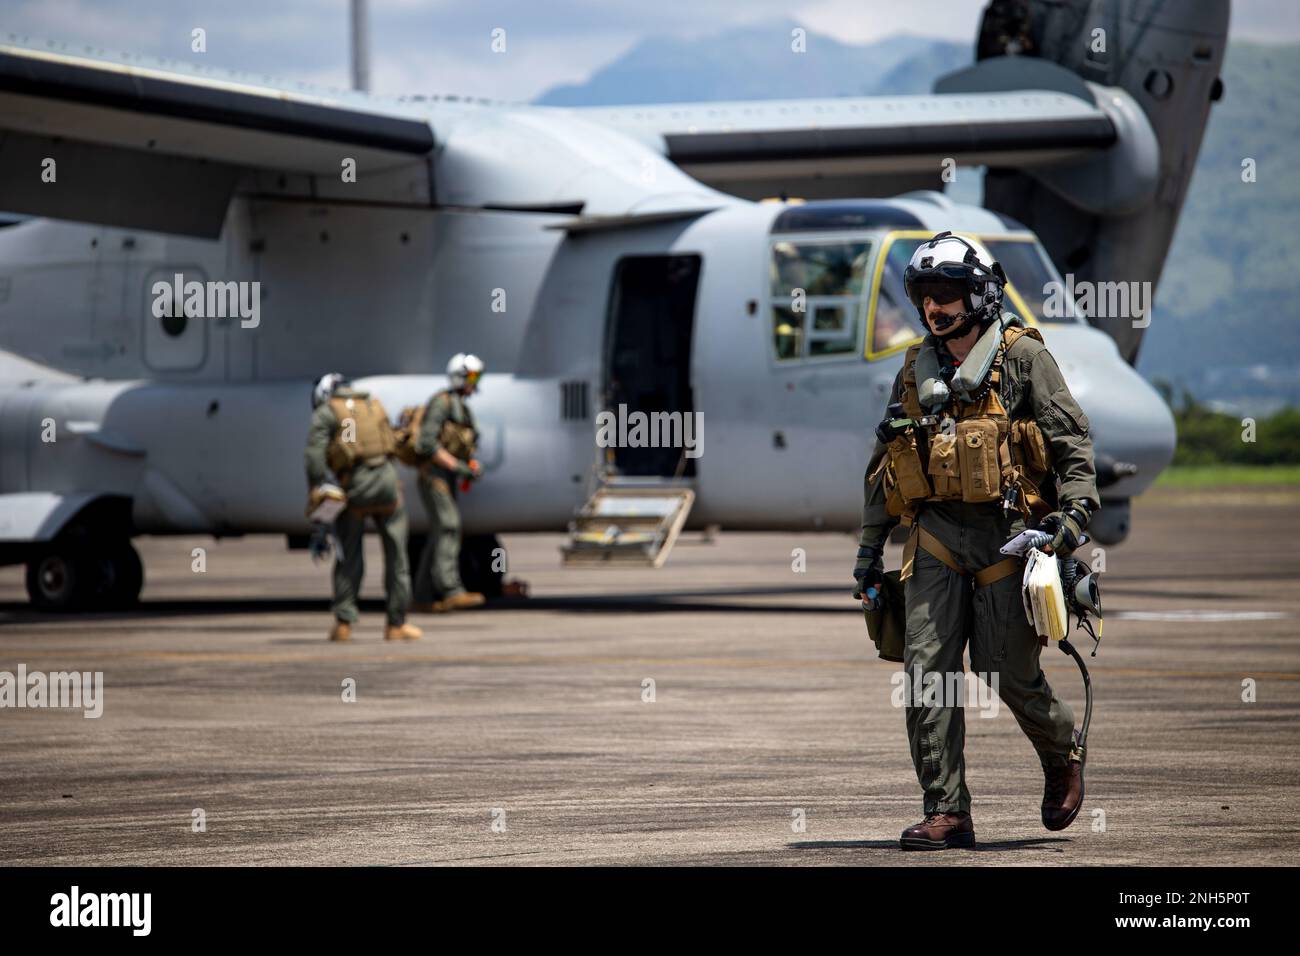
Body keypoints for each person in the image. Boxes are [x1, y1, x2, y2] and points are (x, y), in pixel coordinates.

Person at [853, 232, 1100, 850]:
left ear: (980, 295)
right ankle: (947, 811)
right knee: (926, 673)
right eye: (925, 295)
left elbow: (1072, 447)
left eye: (947, 294)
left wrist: (1073, 520)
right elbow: (886, 463)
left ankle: (1060, 752)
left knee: (1006, 672)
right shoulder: (914, 369)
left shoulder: (1023, 360)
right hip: (934, 538)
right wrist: (867, 551)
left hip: (1007, 539)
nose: (934, 308)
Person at [305, 373, 421, 642]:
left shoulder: (327, 412)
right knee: (397, 558)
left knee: (350, 557)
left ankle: (344, 624)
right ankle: (396, 625)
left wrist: (317, 487)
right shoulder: (373, 405)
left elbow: (313, 455)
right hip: (389, 487)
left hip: (355, 489)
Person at [412, 354, 486, 613]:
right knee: (449, 526)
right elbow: (427, 444)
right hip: (434, 477)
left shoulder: (460, 407)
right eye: (473, 377)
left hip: (446, 477)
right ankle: (451, 590)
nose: (475, 383)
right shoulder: (441, 404)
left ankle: (421, 596)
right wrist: (457, 466)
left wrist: (468, 465)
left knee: (438, 534)